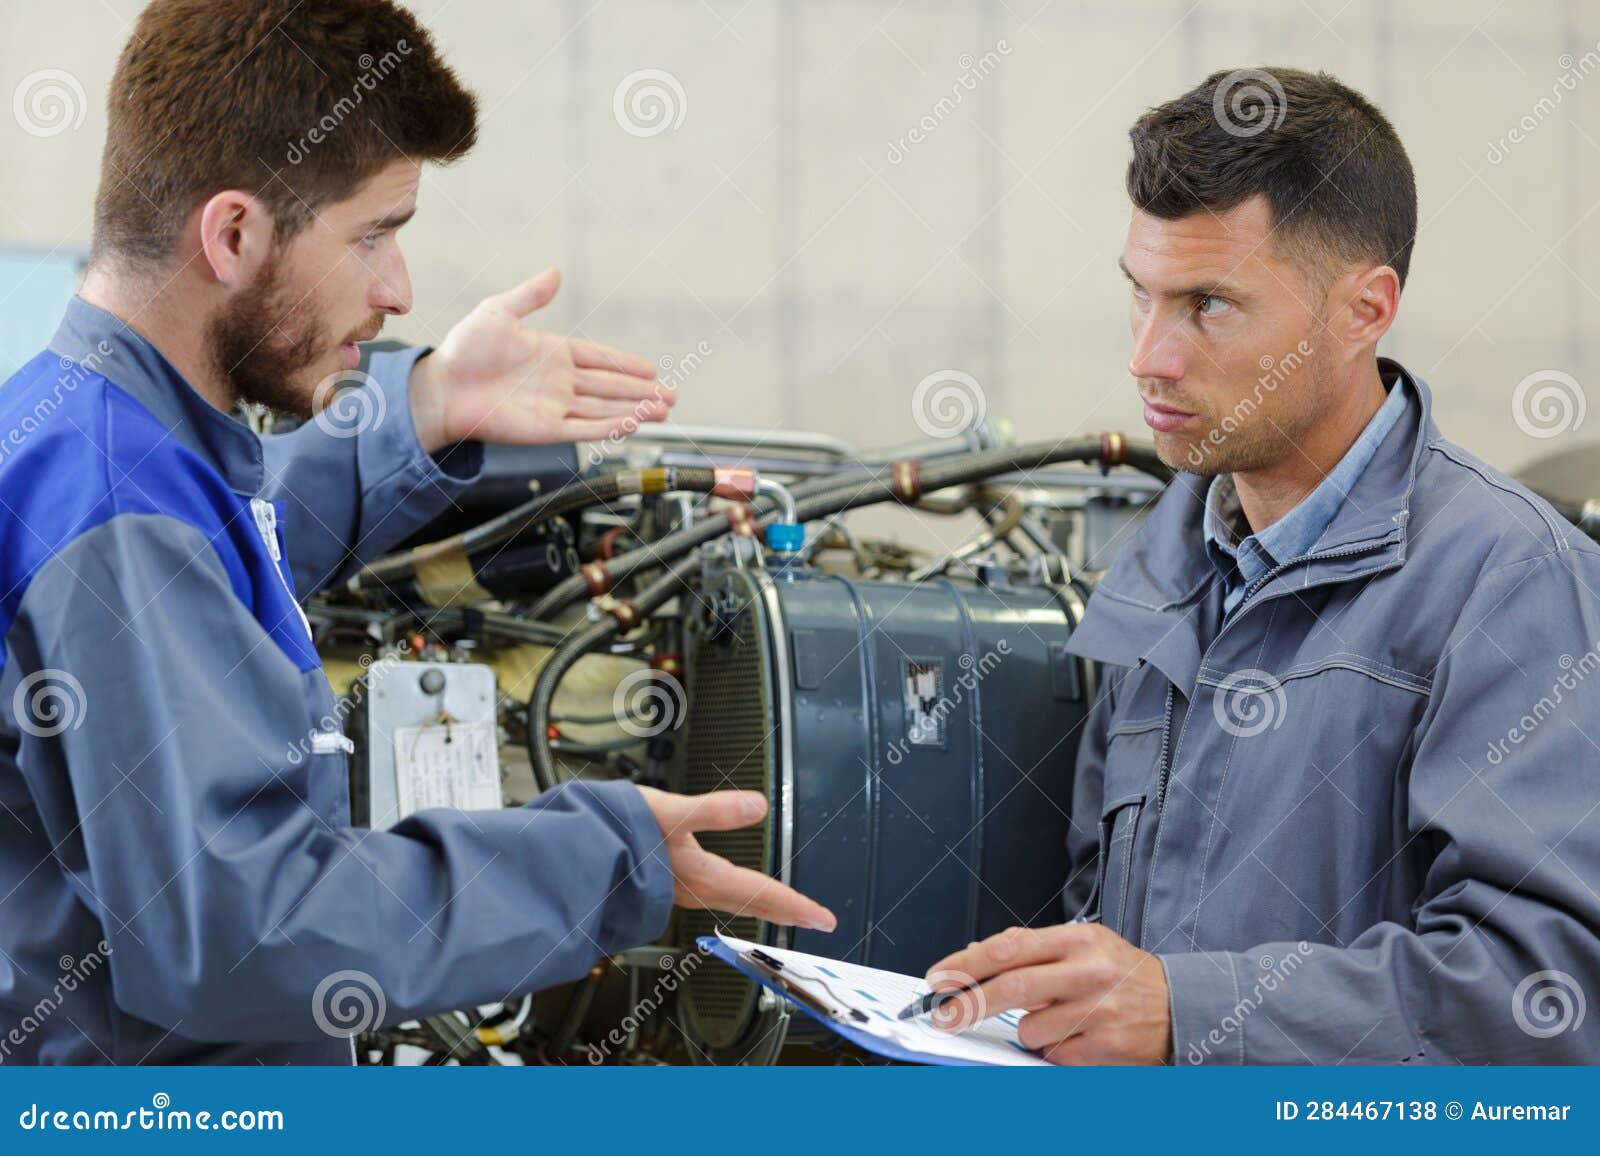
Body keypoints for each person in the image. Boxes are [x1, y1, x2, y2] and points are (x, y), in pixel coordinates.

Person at [0, 0, 832, 1065]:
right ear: (234, 233)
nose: (396, 290)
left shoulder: (104, 439)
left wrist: (417, 410)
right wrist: (601, 859)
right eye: (373, 236)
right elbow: (244, 933)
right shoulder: (118, 503)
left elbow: (223, 575)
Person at [927, 67, 1600, 1064]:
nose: (1149, 356)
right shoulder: (1156, 566)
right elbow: (1105, 926)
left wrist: (1185, 1014)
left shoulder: (1509, 584)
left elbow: (1542, 995)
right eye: (1140, 296)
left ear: (1363, 310)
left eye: (1208, 304)